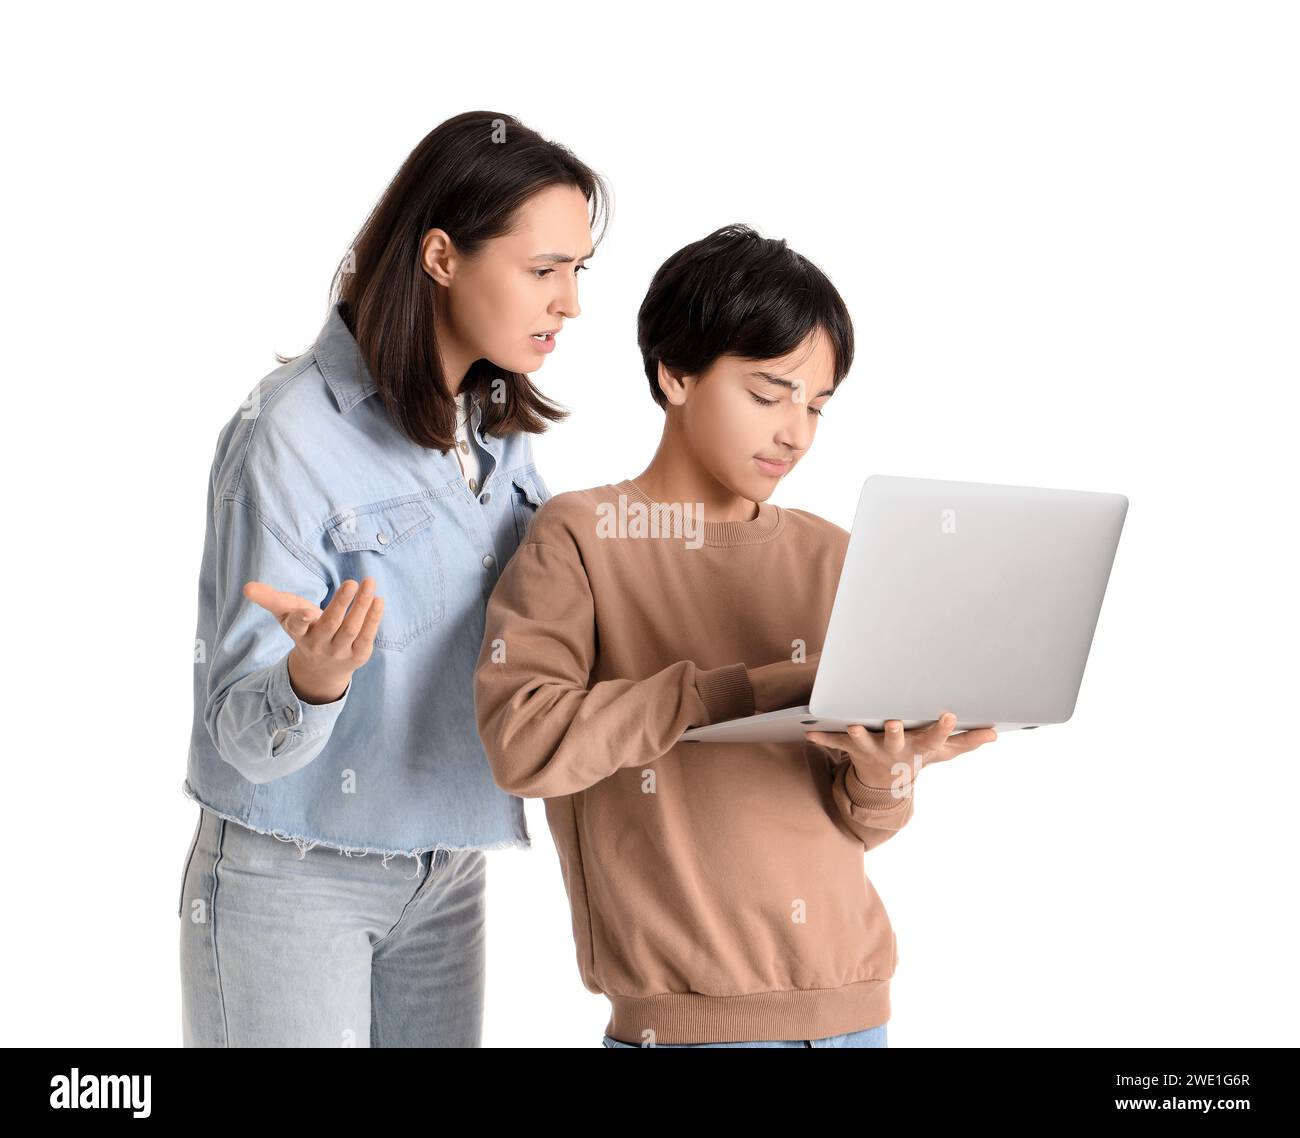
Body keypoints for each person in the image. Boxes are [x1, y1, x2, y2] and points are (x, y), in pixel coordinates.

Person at [473, 224, 999, 1048]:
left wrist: (887, 775)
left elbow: (858, 824)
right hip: (684, 1031)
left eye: (817, 405)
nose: (797, 432)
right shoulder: (581, 536)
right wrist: (739, 691)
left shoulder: (834, 556)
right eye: (769, 393)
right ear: (675, 374)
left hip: (858, 1018)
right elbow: (525, 743)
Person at [179, 110, 609, 1047]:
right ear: (443, 257)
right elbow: (238, 736)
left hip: (446, 868)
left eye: (579, 270)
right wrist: (312, 679)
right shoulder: (288, 434)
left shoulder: (493, 423)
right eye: (544, 270)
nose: (570, 302)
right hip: (290, 876)